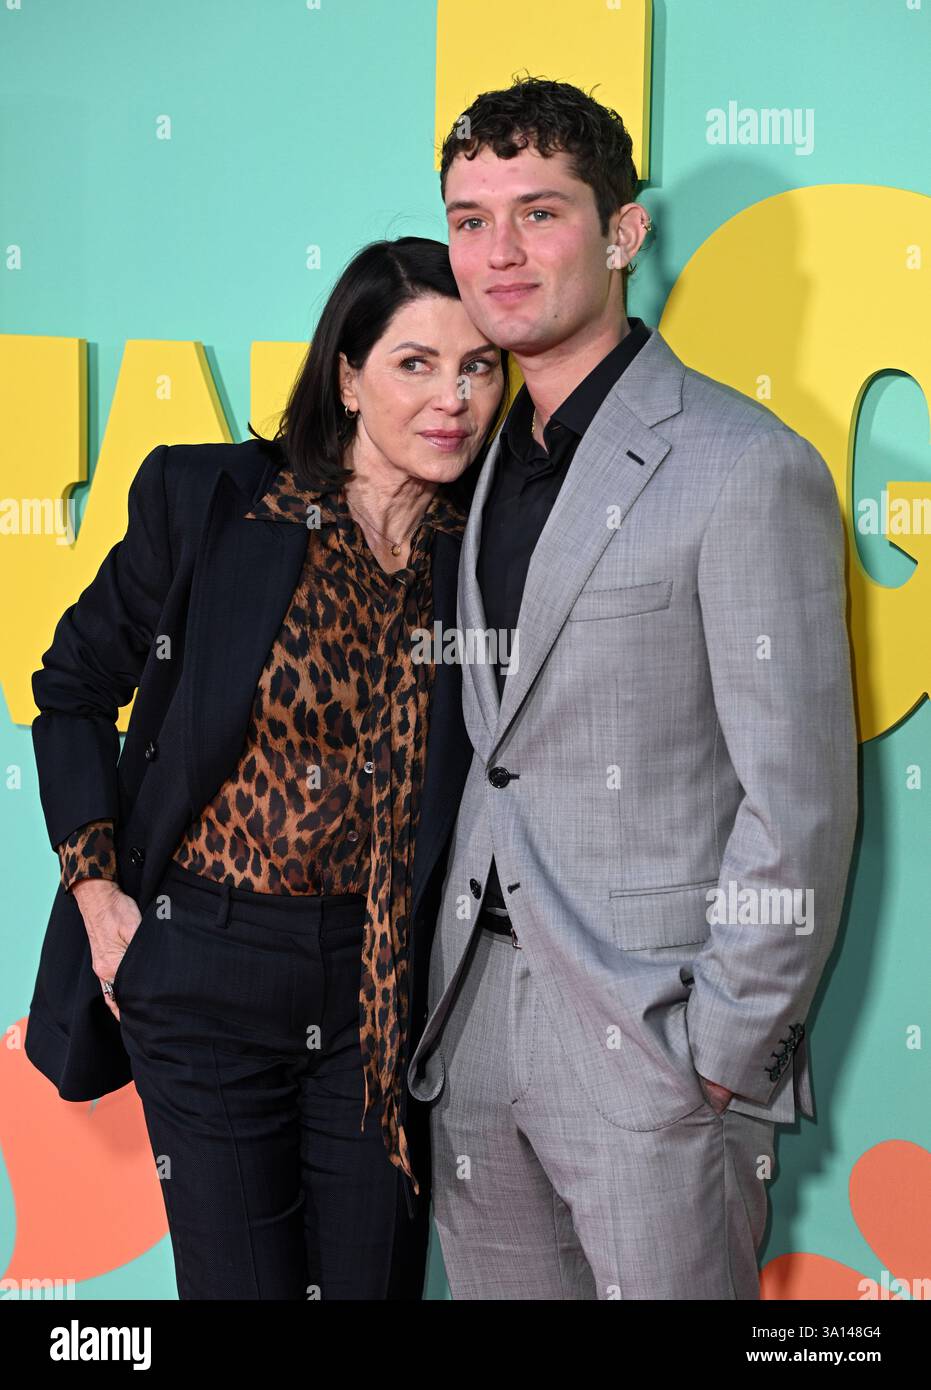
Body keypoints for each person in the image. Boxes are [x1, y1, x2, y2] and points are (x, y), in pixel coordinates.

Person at [407, 77, 859, 1299]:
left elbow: (798, 802)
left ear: (622, 234)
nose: (497, 253)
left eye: (538, 213)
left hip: (652, 1043)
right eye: (468, 219)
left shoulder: (745, 466)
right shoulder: (470, 464)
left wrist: (717, 1053)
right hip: (470, 1025)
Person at [26, 236, 508, 1299]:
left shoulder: (485, 553)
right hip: (206, 965)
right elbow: (69, 689)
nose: (453, 399)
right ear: (346, 374)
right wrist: (98, 890)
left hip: (382, 986)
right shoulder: (211, 499)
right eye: (415, 363)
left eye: (479, 366)